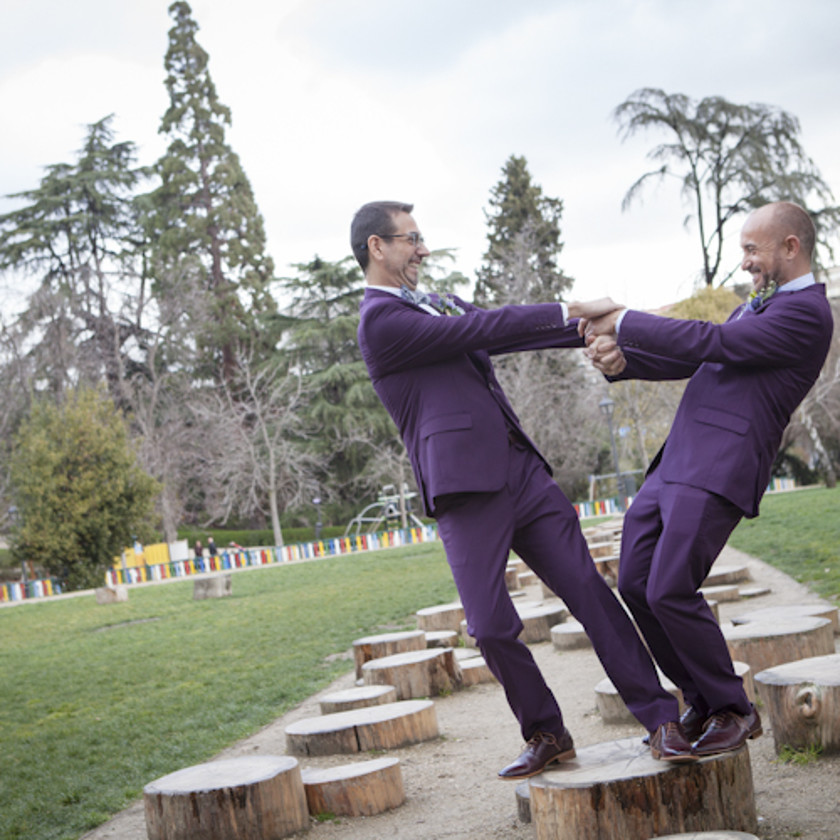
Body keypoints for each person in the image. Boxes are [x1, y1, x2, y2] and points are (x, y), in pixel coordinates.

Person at [352, 200, 687, 777]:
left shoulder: (436, 302)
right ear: (377, 247)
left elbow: (506, 332)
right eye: (410, 239)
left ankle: (661, 719)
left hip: (521, 472)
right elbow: (485, 328)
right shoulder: (381, 322)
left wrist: (603, 327)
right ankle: (547, 733)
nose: (423, 249)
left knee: (588, 591)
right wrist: (569, 305)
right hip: (463, 490)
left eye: (422, 237)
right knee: (489, 626)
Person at [581, 201, 833, 757]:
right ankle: (701, 698)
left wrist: (624, 318)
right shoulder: (759, 307)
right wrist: (624, 361)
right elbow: (709, 361)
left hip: (719, 467)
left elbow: (713, 344)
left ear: (790, 247)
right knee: (636, 584)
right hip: (676, 463)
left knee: (670, 587)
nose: (744, 262)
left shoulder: (808, 314)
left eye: (751, 248)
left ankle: (735, 710)